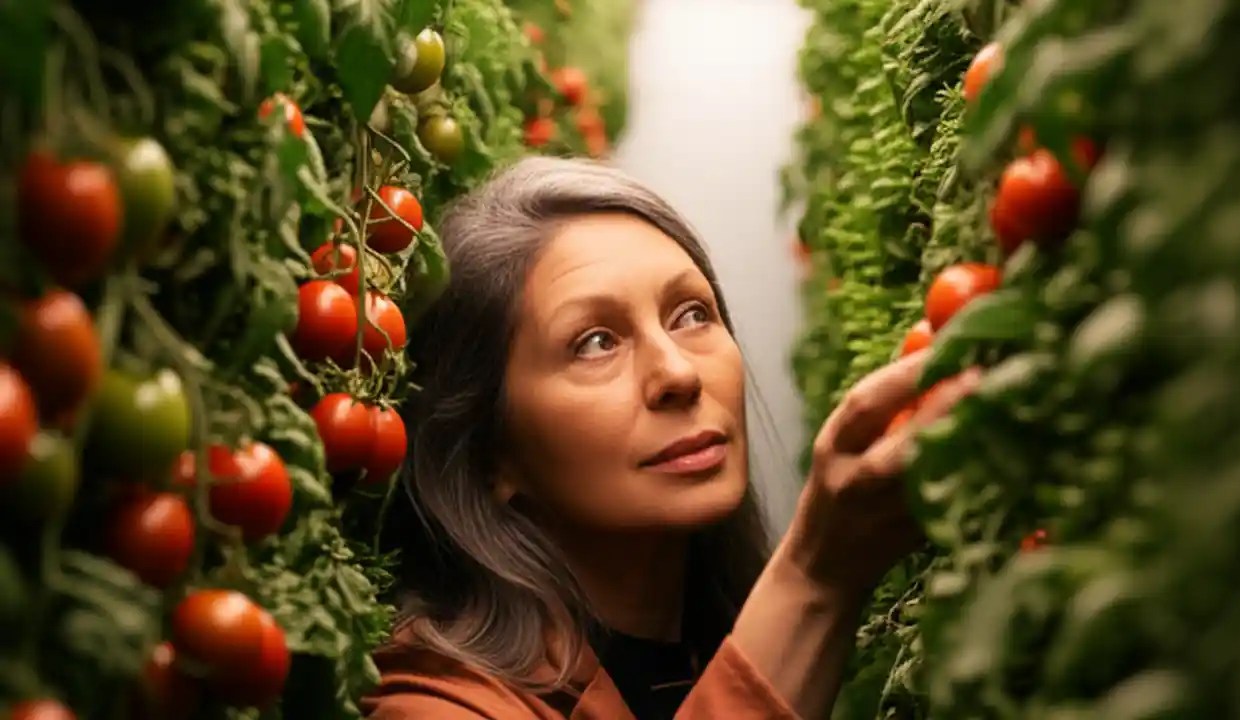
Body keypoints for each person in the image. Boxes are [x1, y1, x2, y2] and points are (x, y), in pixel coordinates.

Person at [362, 157, 978, 720]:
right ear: (489, 451)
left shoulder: (710, 642)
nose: (679, 374)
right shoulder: (429, 705)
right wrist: (816, 578)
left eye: (692, 314)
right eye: (595, 342)